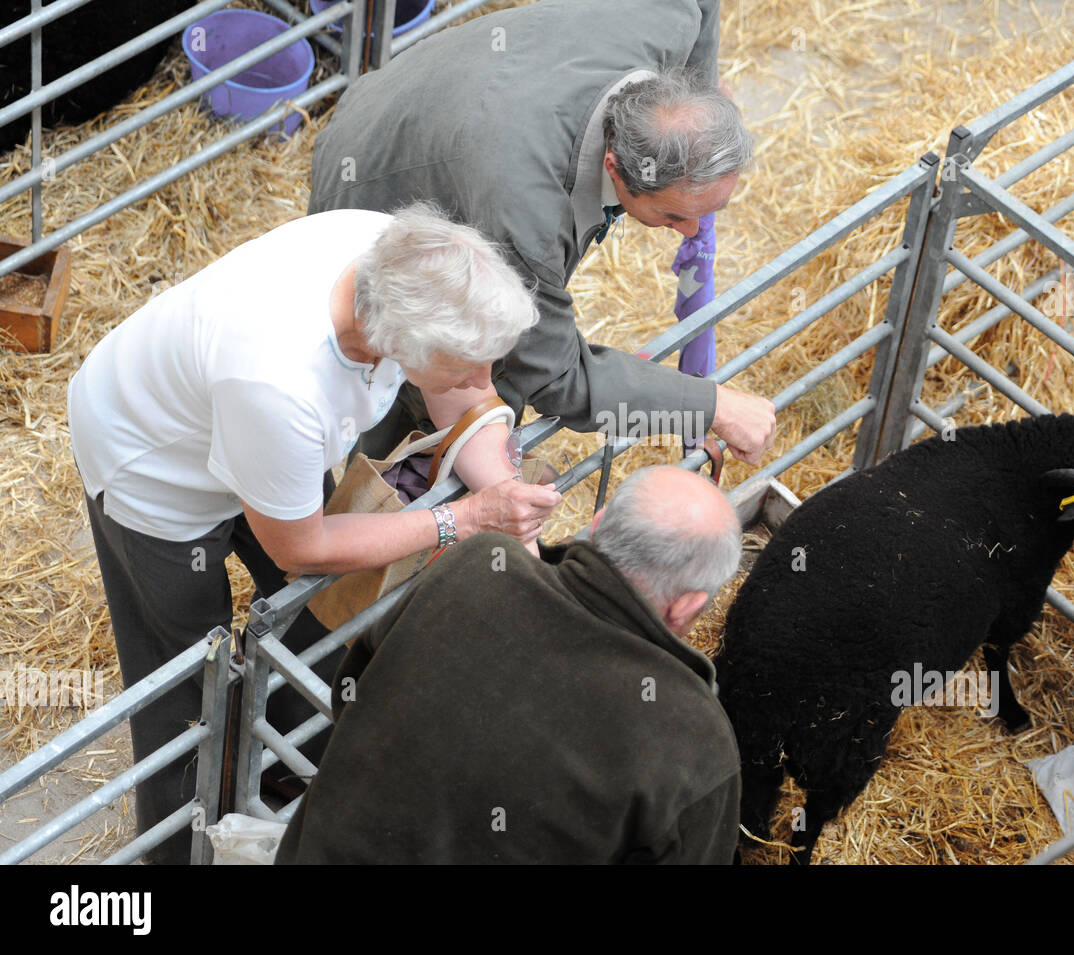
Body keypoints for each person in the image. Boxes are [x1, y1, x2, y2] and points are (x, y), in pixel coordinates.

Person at [68, 203, 561, 863]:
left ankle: (278, 757)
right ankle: (178, 850)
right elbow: (298, 548)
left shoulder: (394, 256)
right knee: (188, 688)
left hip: (259, 443)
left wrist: (501, 490)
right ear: (403, 344)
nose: (484, 386)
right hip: (153, 473)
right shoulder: (280, 382)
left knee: (336, 605)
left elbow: (455, 390)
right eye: (472, 368)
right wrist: (463, 518)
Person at [308, 0, 777, 466]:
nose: (690, 232)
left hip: (438, 91)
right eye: (674, 217)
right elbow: (553, 375)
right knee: (451, 360)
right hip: (369, 169)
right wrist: (711, 407)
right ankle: (404, 484)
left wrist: (703, 86)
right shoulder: (525, 221)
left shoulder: (671, 15)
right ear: (614, 169)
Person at [276, 466, 743, 864]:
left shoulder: (477, 567)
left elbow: (351, 690)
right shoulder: (696, 742)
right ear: (688, 607)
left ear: (597, 525)